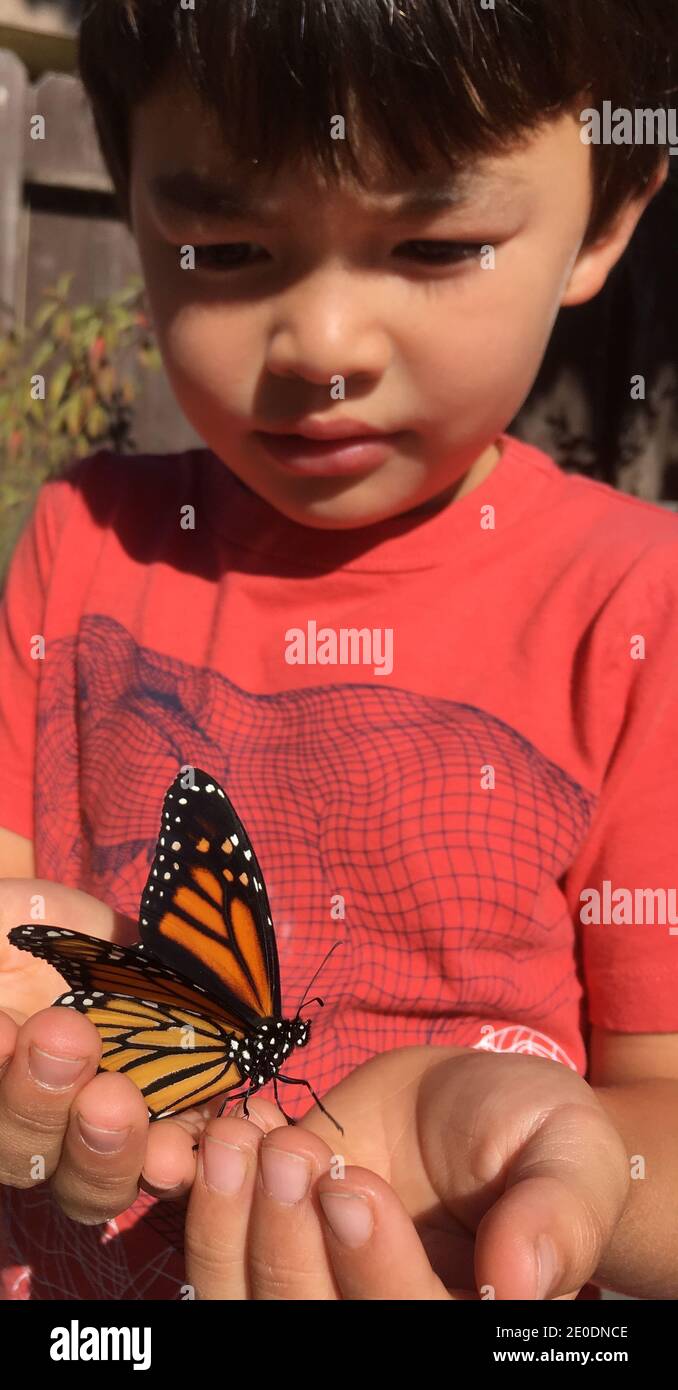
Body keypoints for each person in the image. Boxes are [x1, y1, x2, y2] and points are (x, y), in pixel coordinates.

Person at [0, 0, 677, 1302]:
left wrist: (557, 1161)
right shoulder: (78, 539)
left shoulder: (635, 609)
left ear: (605, 212)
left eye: (434, 244)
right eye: (228, 244)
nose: (321, 349)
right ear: (128, 183)